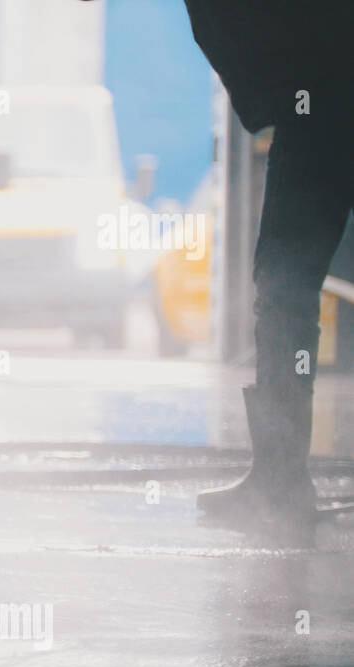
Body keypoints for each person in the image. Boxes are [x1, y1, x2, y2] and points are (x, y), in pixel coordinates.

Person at [180, 0, 354, 527]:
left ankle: (280, 482)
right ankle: (278, 480)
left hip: (323, 102)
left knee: (284, 288)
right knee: (283, 287)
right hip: (318, 103)